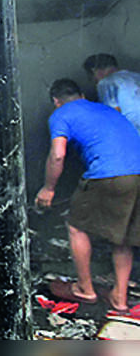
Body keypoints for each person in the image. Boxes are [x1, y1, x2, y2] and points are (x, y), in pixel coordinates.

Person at [36, 78, 140, 313]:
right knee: (122, 235)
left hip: (107, 174)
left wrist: (48, 188)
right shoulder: (105, 110)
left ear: (56, 101)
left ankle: (84, 288)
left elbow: (58, 154)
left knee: (76, 227)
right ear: (82, 95)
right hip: (138, 173)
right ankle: (120, 298)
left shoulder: (61, 114)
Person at [83, 53, 140, 134]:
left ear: (94, 71)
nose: (93, 81)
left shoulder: (106, 83)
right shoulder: (135, 76)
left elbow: (113, 115)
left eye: (91, 77)